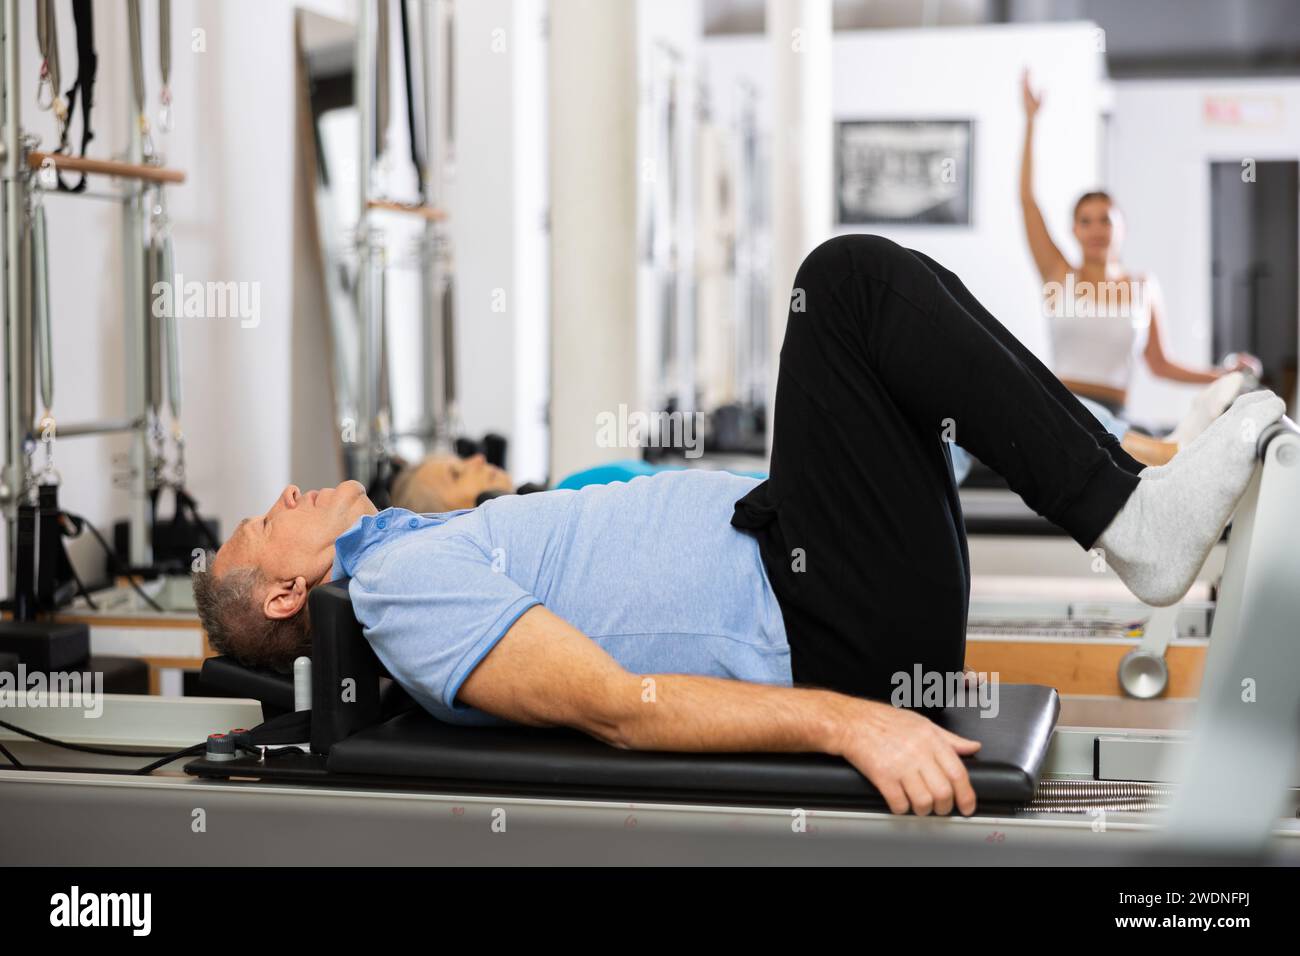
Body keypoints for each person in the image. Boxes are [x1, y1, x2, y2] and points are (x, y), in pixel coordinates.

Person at [194, 234, 1283, 818]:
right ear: (287, 592)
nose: (283, 492)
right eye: (260, 523)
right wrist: (849, 725)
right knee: (844, 286)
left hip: (822, 576)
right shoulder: (396, 592)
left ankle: (1129, 485)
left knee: (893, 316)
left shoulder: (415, 545)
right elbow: (614, 706)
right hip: (824, 623)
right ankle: (1133, 520)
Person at [1019, 72, 1258, 440]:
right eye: (1086, 221)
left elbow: (1160, 364)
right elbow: (1027, 201)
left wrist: (1223, 375)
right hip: (1060, 412)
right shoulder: (1057, 273)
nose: (1096, 229)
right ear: (1074, 231)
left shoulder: (1142, 287)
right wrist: (1031, 121)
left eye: (1105, 220)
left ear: (1122, 228)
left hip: (1112, 421)